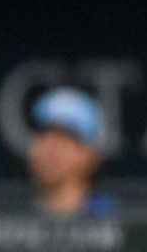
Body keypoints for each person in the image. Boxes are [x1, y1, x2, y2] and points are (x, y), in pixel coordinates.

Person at [28, 88, 116, 216]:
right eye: (44, 136)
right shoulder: (10, 220)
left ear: (90, 154)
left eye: (64, 138)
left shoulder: (111, 219)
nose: (51, 150)